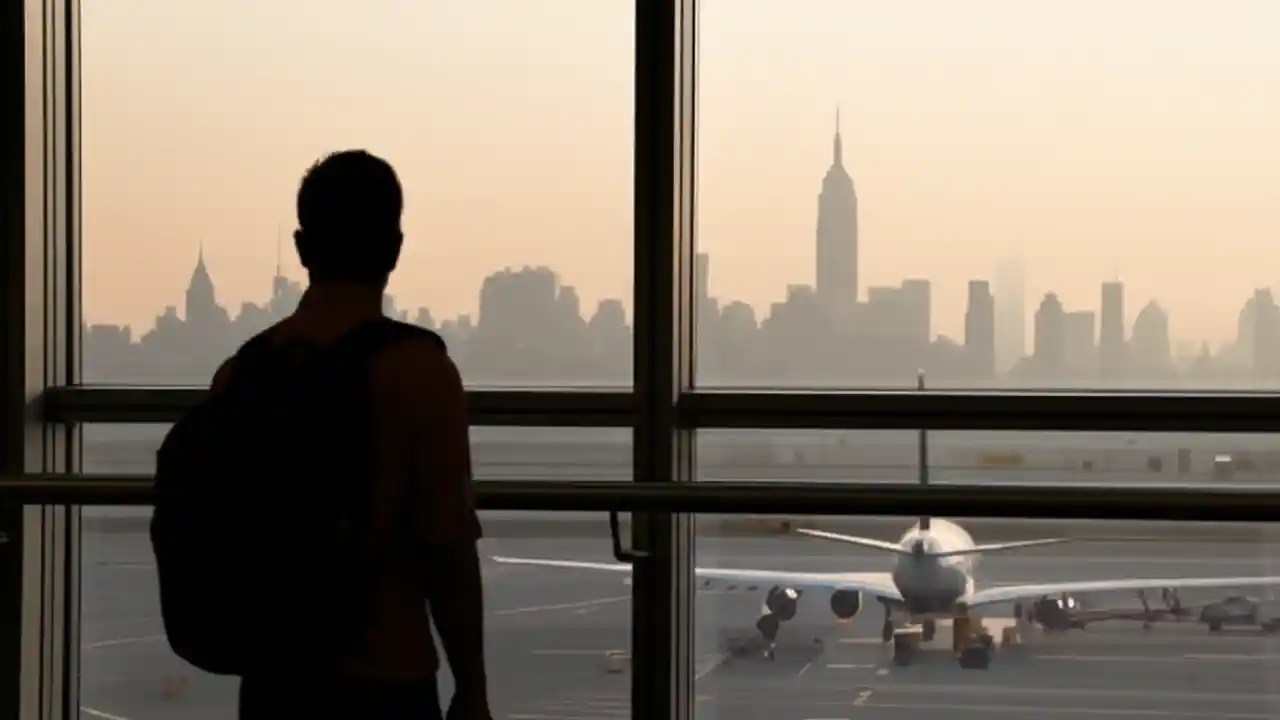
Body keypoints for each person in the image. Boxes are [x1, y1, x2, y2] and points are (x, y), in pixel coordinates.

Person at [215, 150, 491, 719]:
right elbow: (447, 547)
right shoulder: (420, 372)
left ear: (302, 247)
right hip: (387, 672)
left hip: (275, 676)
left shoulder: (243, 372)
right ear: (394, 247)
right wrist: (472, 685)